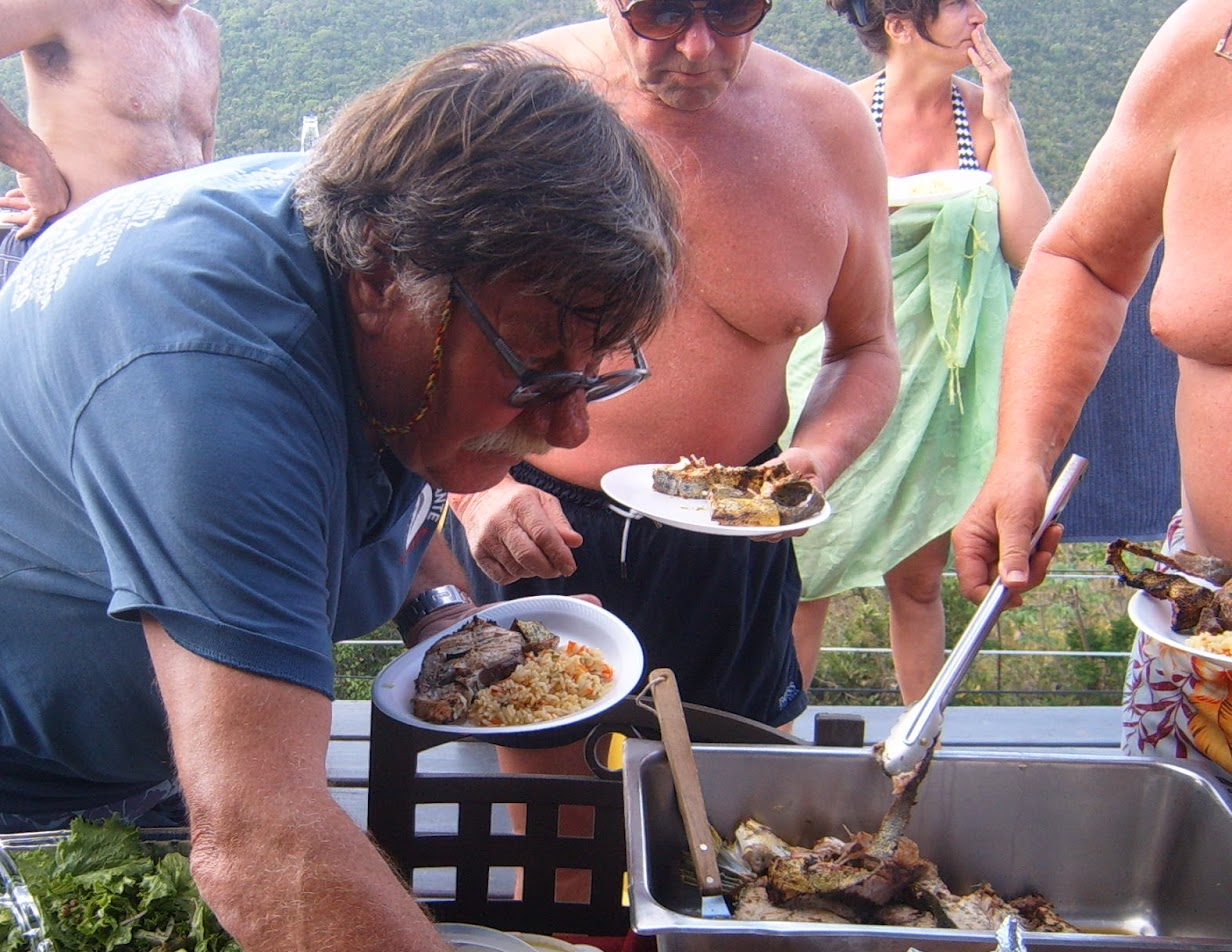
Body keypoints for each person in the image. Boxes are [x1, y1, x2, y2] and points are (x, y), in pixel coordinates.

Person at [0, 44, 724, 952]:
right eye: (533, 371)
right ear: (379, 274)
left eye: (593, 374)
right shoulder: (211, 378)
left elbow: (395, 464)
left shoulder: (379, 271)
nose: (567, 431)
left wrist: (447, 616)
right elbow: (262, 845)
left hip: (179, 663)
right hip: (6, 683)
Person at [446, 0, 900, 777]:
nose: (696, 46)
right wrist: (473, 492)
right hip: (538, 523)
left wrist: (817, 459)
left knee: (737, 816)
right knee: (558, 830)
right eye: (660, 12)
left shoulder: (830, 127)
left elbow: (866, 348)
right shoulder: (508, 100)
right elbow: (415, 329)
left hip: (735, 532)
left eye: (732, 10)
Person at [953, 0, 1232, 777]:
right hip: (1201, 638)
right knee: (1177, 855)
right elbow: (1083, 259)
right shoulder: (1209, 43)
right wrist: (1022, 456)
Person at [783, 0, 1049, 705]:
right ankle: (779, 740)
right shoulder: (842, 114)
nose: (979, 14)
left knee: (919, 581)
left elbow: (1031, 246)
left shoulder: (980, 116)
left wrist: (1005, 116)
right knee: (805, 575)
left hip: (943, 387)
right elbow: (803, 247)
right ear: (900, 26)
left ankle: (919, 744)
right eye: (957, 3)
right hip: (840, 369)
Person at [0, 0, 220, 294]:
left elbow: (201, 147)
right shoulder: (79, 6)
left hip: (172, 264)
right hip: (71, 254)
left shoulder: (202, 32)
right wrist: (32, 162)